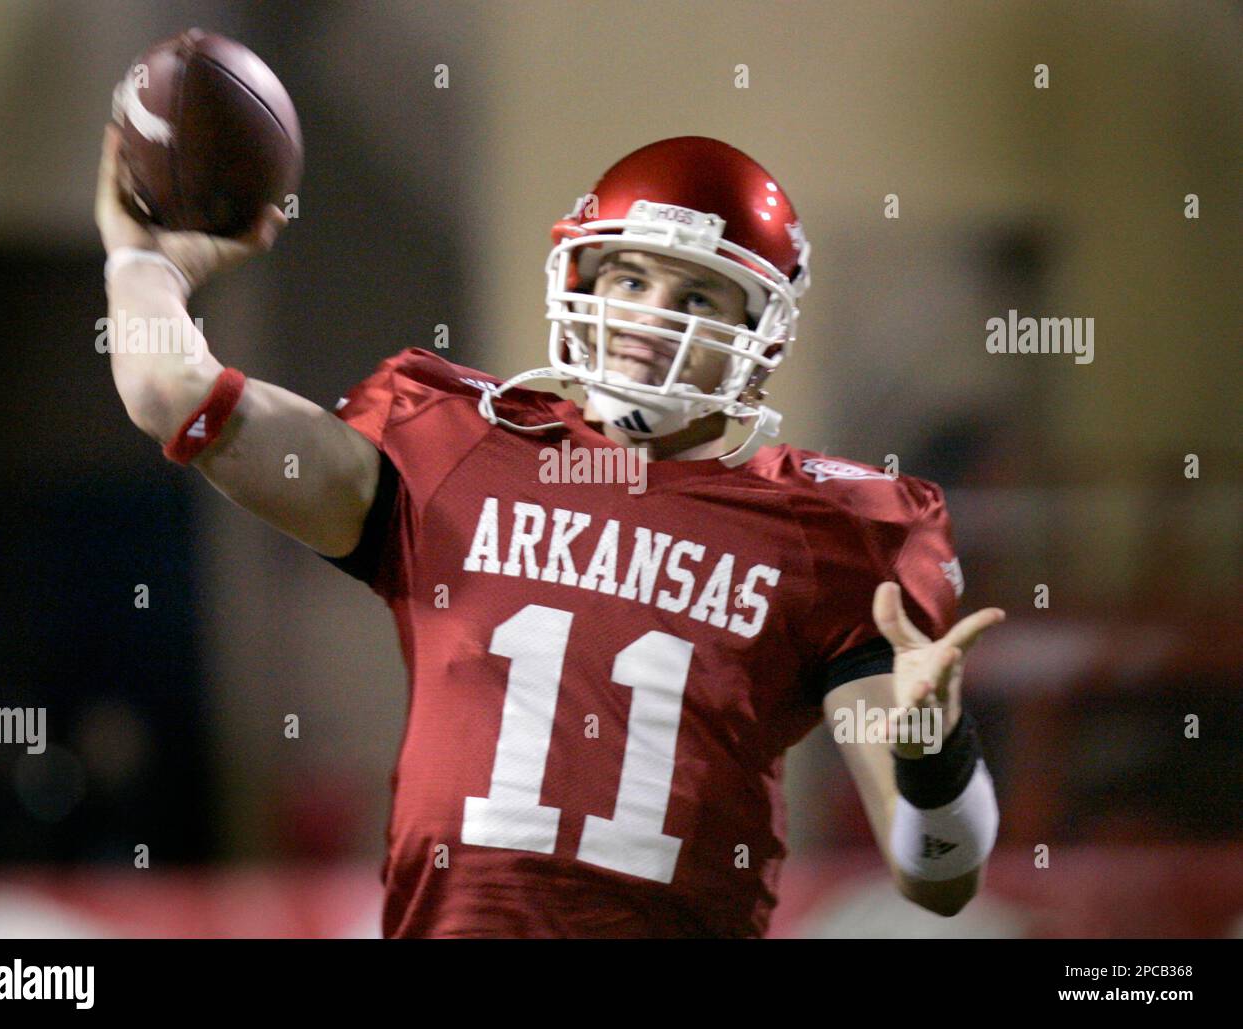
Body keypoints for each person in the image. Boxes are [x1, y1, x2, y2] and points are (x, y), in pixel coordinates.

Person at [96, 128, 1005, 938]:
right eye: (631, 278)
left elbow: (938, 877)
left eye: (697, 297)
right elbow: (176, 397)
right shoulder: (454, 446)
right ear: (580, 280)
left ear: (758, 336)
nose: (651, 317)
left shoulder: (830, 530)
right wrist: (142, 264)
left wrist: (934, 754)